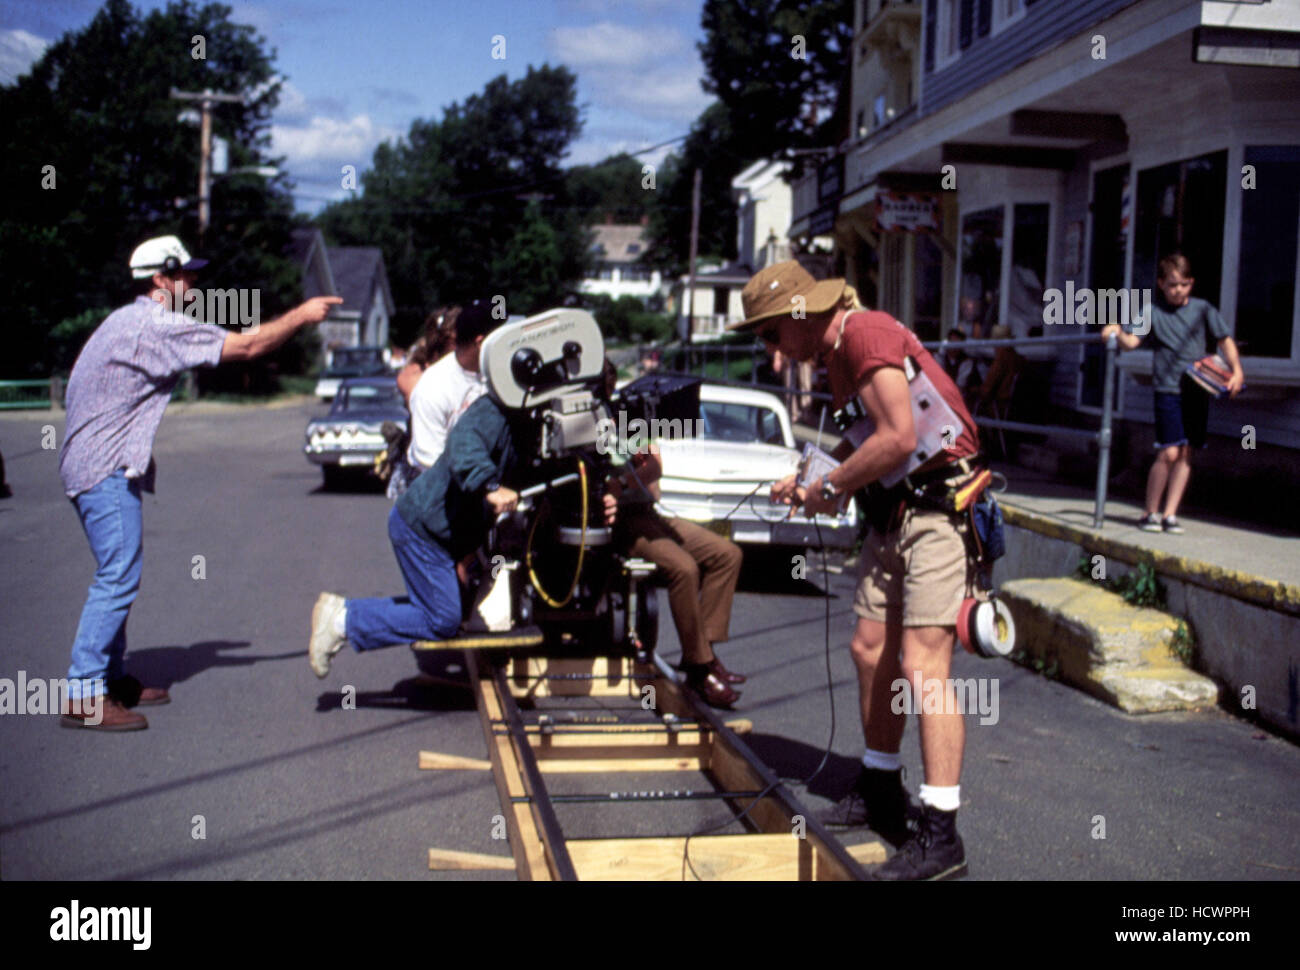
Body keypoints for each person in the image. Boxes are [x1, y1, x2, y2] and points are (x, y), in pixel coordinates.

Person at [730, 260, 983, 880]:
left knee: (924, 666)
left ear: (799, 315)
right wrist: (810, 476)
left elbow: (898, 437)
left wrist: (832, 486)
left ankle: (942, 831)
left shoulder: (865, 333)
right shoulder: (839, 352)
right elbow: (868, 431)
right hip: (894, 513)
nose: (769, 347)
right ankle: (879, 785)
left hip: (938, 514)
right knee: (871, 648)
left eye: (768, 333)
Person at [59, 234, 341, 731]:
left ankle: (112, 678)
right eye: (185, 274)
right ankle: (83, 692)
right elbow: (249, 345)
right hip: (102, 467)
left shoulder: (126, 319)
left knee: (117, 571)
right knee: (118, 576)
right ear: (159, 278)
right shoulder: (155, 323)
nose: (193, 282)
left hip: (94, 463)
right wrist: (301, 315)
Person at [308, 390, 618, 676]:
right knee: (442, 620)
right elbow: (463, 447)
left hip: (448, 535)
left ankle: (345, 611)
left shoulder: (530, 421)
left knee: (443, 608)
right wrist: (490, 486)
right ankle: (342, 622)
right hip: (423, 529)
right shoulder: (493, 411)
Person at [600, 360, 746, 708]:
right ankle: (700, 667)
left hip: (647, 512)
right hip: (622, 523)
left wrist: (628, 471)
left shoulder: (624, 416)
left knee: (727, 554)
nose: (608, 390)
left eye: (610, 383)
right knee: (684, 568)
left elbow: (654, 466)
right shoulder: (590, 423)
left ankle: (703, 655)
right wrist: (621, 480)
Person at [1101, 253, 1244, 533]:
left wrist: (1237, 370)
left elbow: (1224, 340)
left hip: (1197, 388)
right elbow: (1132, 341)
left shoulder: (1203, 309)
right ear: (1161, 284)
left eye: (1183, 285)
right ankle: (1149, 512)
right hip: (1168, 389)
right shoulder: (1152, 311)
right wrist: (1115, 332)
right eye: (1172, 285)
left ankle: (1170, 514)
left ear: (1191, 283)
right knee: (1168, 452)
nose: (1178, 291)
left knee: (1186, 453)